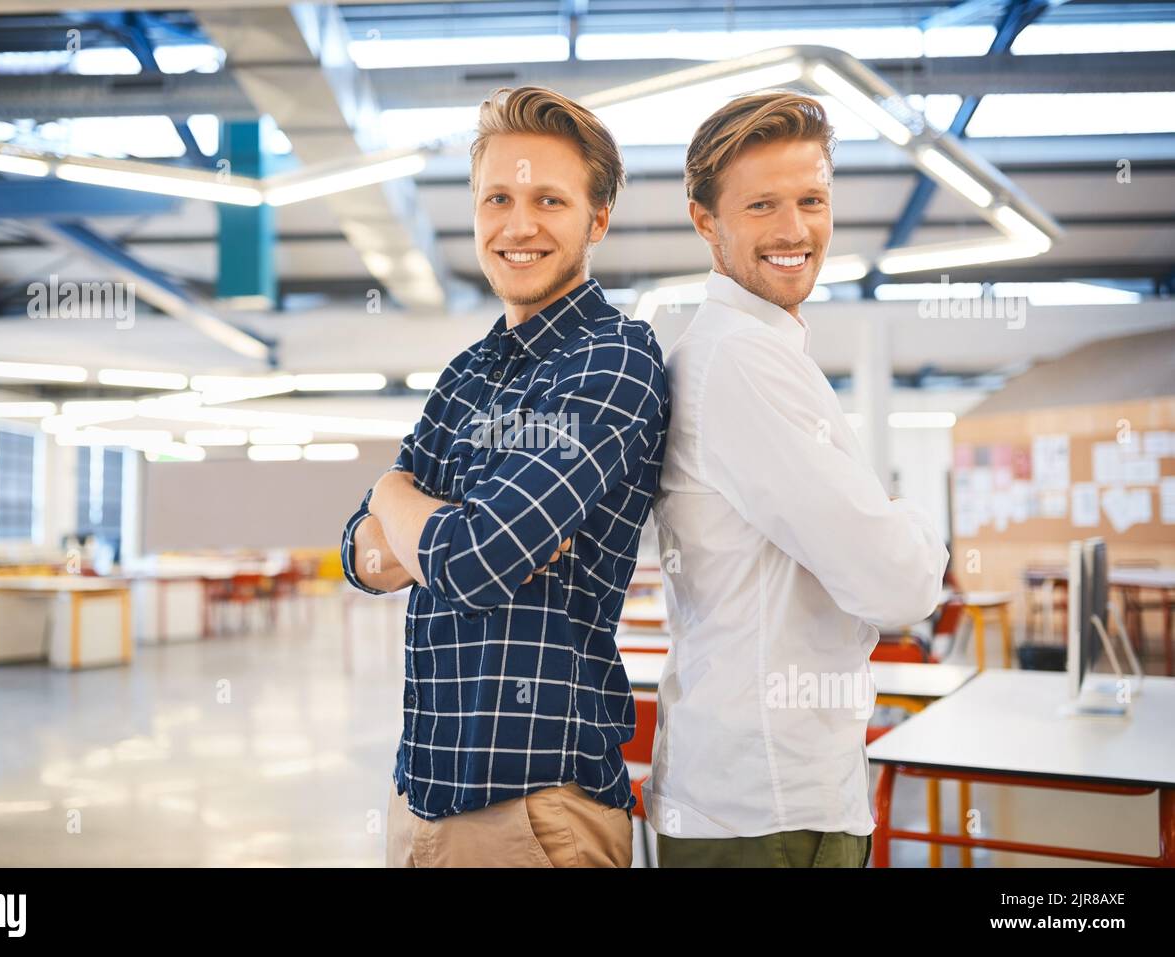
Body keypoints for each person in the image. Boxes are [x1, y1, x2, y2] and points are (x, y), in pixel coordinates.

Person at [339, 85, 669, 868]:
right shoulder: (467, 370)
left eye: (549, 199)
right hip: (419, 791)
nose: (518, 224)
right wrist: (421, 528)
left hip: (533, 813)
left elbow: (472, 560)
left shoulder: (613, 358)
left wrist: (396, 497)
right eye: (499, 197)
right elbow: (360, 555)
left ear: (598, 219)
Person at [644, 91, 949, 868]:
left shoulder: (760, 353)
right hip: (764, 809)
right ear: (705, 222)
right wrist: (908, 517)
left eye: (812, 200)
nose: (794, 230)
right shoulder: (740, 362)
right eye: (762, 205)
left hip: (768, 793)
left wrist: (880, 518)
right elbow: (898, 585)